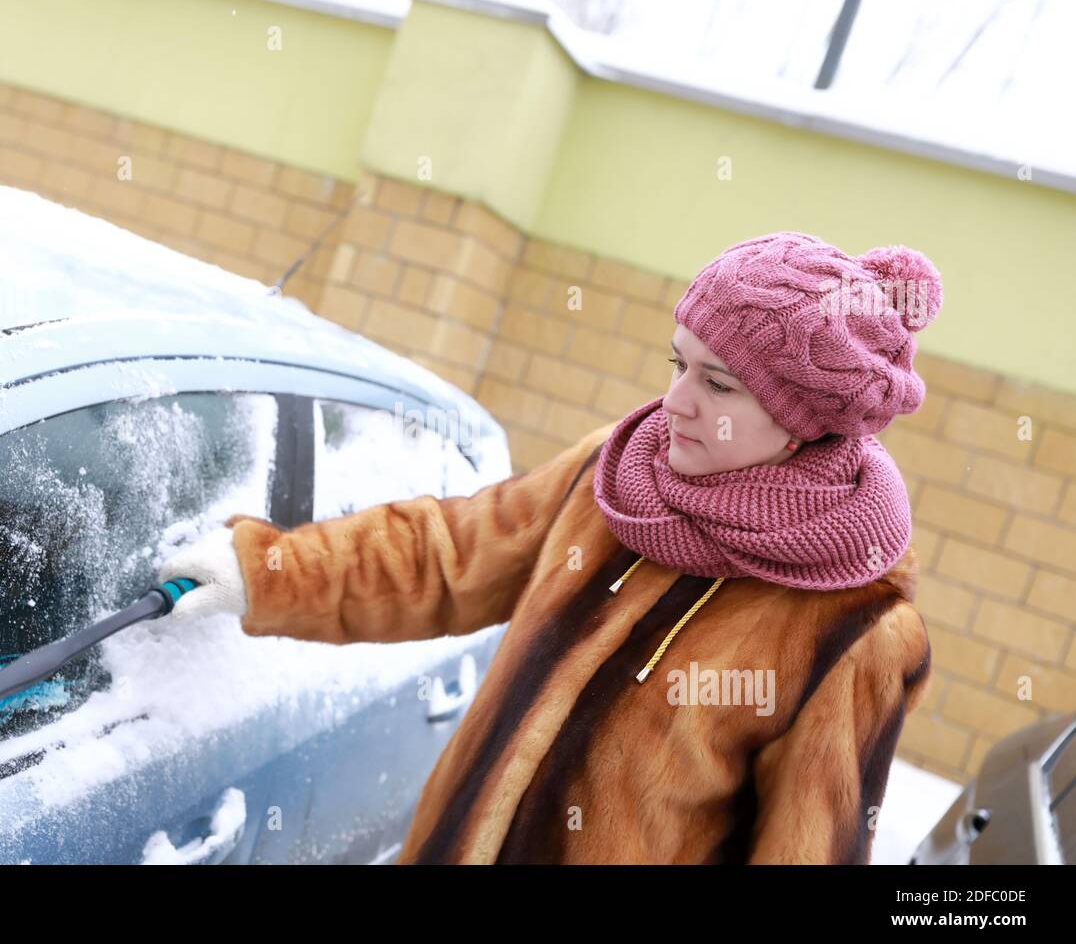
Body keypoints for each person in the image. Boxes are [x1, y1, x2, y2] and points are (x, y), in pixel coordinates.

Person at [158, 230, 939, 864]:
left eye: (720, 385)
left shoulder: (854, 632)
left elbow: (810, 851)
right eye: (677, 364)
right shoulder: (615, 475)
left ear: (804, 417)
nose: (675, 401)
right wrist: (266, 572)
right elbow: (447, 555)